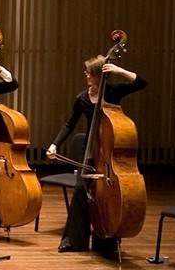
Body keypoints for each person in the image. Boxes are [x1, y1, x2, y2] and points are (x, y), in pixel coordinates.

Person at [49, 55, 147, 254]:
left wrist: (119, 71)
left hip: (108, 153)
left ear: (101, 76)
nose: (87, 76)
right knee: (80, 194)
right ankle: (73, 241)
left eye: (90, 73)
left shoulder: (112, 93)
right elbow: (70, 123)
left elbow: (141, 83)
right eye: (87, 73)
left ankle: (106, 239)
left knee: (106, 197)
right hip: (89, 151)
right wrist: (54, 144)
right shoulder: (82, 98)